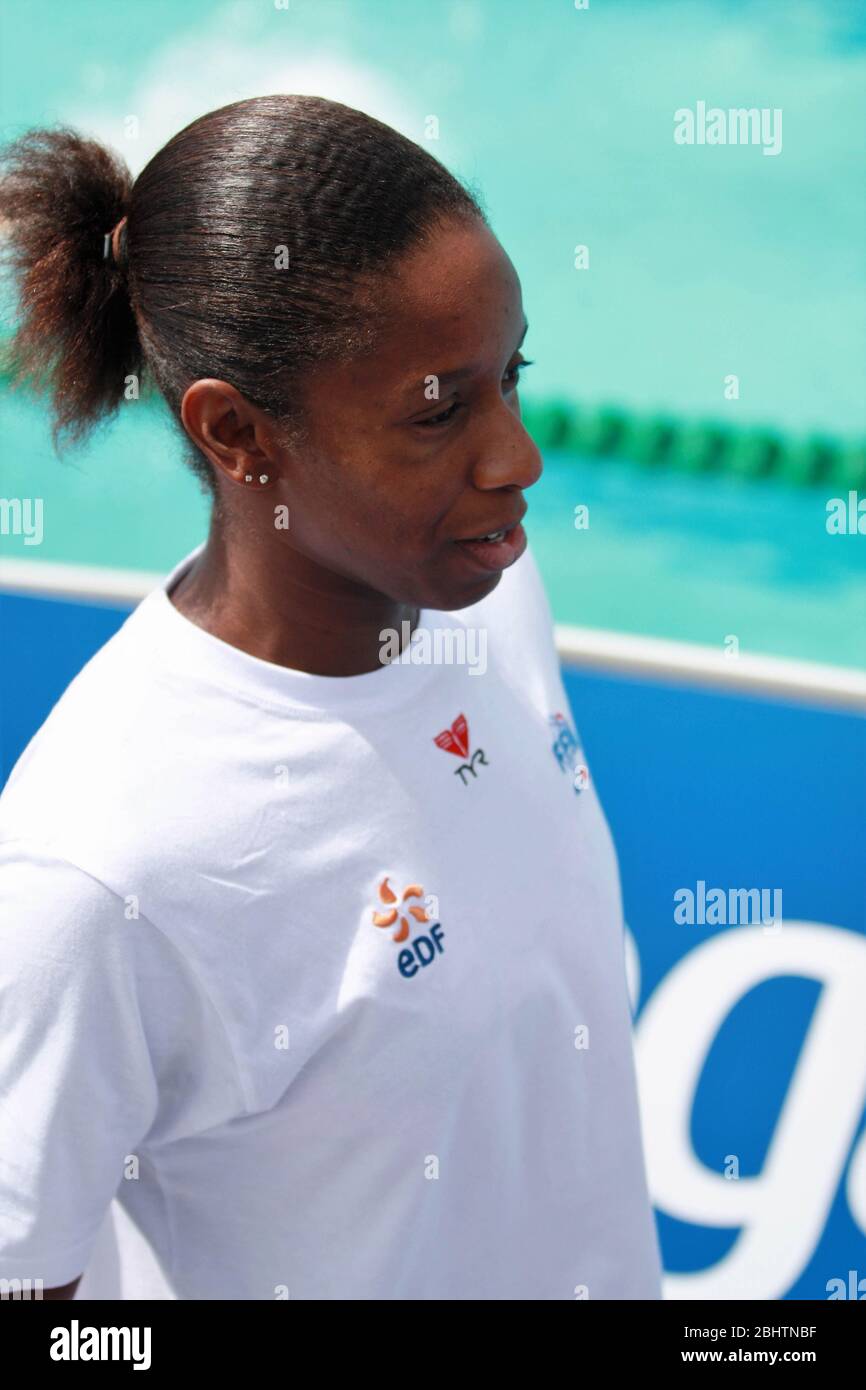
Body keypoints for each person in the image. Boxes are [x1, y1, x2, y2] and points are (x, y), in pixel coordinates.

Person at [0, 94, 662, 1300]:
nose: (517, 458)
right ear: (239, 432)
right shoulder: (100, 871)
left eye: (508, 377)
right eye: (437, 408)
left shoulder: (487, 596)